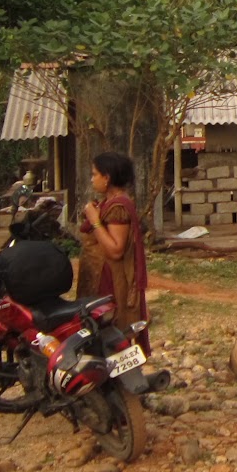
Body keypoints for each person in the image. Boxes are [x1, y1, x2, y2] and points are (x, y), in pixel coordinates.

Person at [76, 150, 151, 353]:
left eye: (94, 174)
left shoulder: (119, 207)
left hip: (111, 280)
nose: (92, 179)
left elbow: (116, 250)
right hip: (103, 277)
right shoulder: (109, 203)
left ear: (107, 178)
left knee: (110, 330)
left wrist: (94, 220)